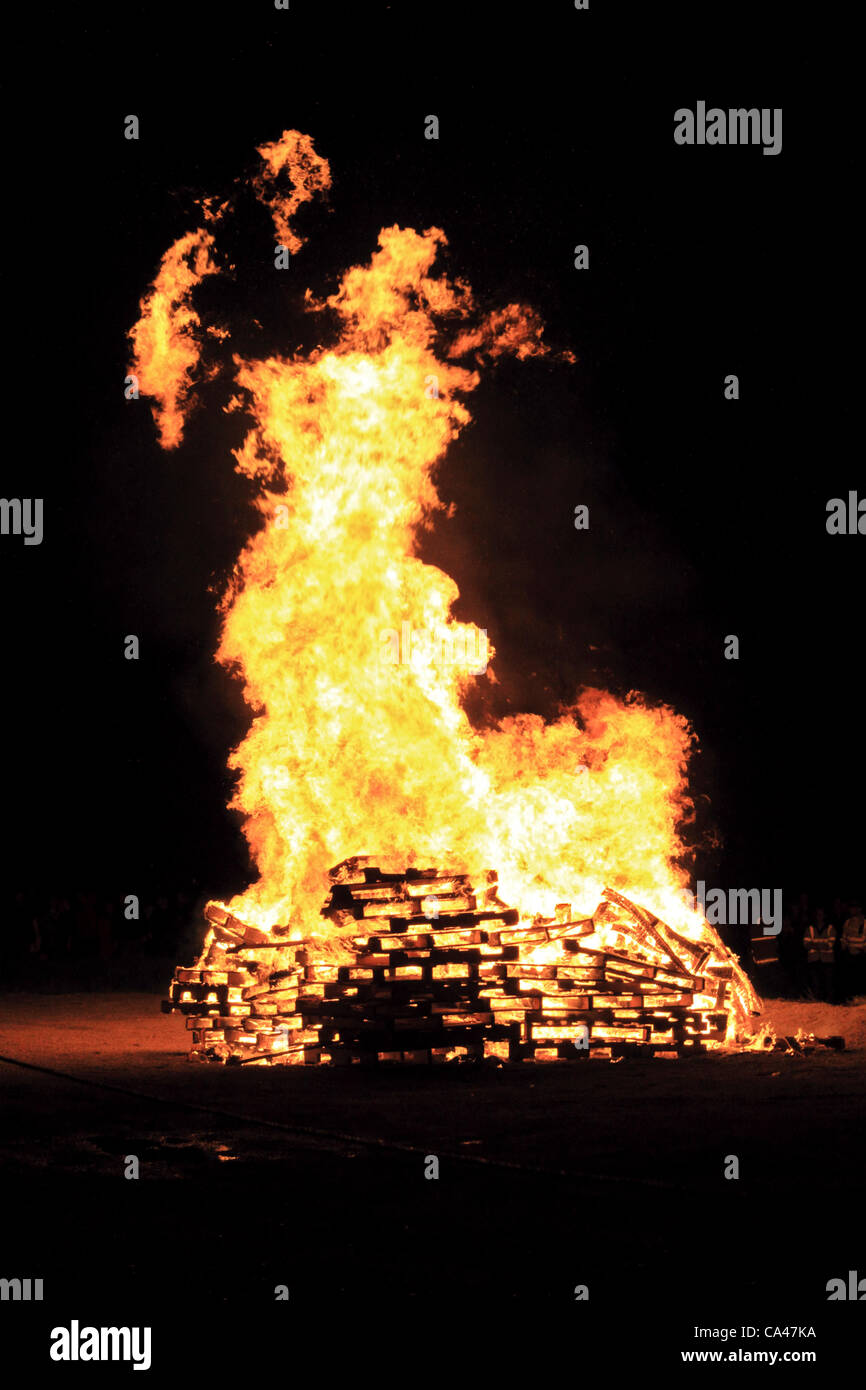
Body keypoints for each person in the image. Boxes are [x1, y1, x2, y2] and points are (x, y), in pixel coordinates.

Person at [841, 901, 866, 999]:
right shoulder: (847, 922)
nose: (851, 910)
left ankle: (862, 998)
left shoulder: (864, 922)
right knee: (851, 979)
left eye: (854, 908)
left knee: (861, 978)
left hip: (861, 955)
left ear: (859, 909)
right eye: (851, 908)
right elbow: (845, 937)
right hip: (850, 955)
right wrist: (844, 944)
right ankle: (853, 998)